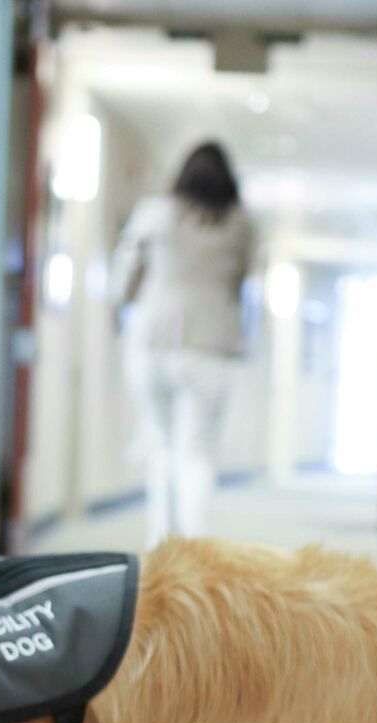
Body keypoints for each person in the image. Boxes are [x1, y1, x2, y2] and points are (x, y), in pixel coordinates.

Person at [109, 140, 256, 548]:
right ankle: (193, 550)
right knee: (197, 454)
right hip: (211, 347)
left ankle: (160, 546)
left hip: (152, 343)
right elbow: (240, 280)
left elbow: (125, 278)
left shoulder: (154, 214)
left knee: (160, 447)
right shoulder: (241, 224)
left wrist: (124, 304)